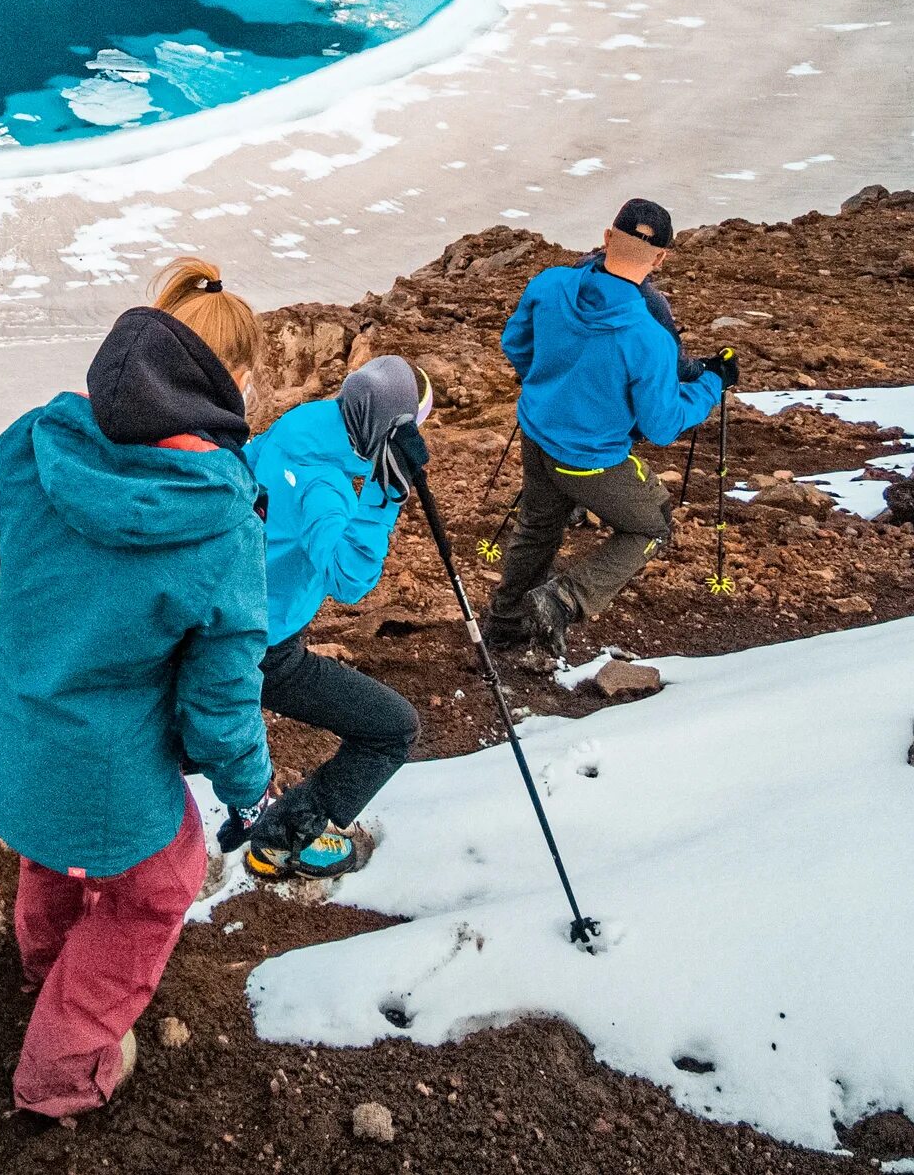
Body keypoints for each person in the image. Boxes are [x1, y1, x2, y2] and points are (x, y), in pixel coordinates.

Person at [0, 256, 271, 1119]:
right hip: (106, 784)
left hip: (8, 750)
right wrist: (248, 790)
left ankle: (45, 965)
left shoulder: (31, 442)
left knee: (50, 847)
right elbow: (219, 698)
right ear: (227, 384)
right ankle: (60, 1076)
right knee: (161, 883)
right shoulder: (223, 519)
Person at [486, 197, 734, 662]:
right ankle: (564, 600)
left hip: (537, 433)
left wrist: (547, 384)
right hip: (589, 459)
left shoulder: (550, 284)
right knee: (653, 526)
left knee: (539, 526)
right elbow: (661, 426)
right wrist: (713, 384)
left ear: (606, 238)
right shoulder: (647, 338)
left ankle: (503, 626)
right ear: (661, 258)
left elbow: (515, 343)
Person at [231, 356, 434, 881]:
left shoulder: (307, 423)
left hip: (227, 611)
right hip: (263, 644)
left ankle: (239, 796)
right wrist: (387, 492)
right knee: (391, 730)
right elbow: (348, 579)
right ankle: (279, 843)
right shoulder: (328, 485)